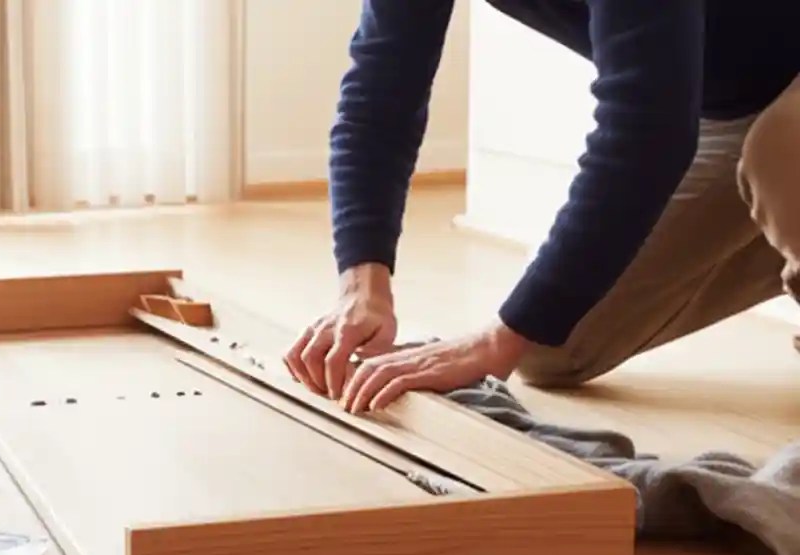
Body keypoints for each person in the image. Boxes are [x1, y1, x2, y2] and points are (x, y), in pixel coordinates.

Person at [284, 1, 800, 414]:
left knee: (778, 153)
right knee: (551, 344)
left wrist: (495, 342)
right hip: (732, 104)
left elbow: (646, 126)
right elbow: (381, 86)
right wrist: (363, 285)